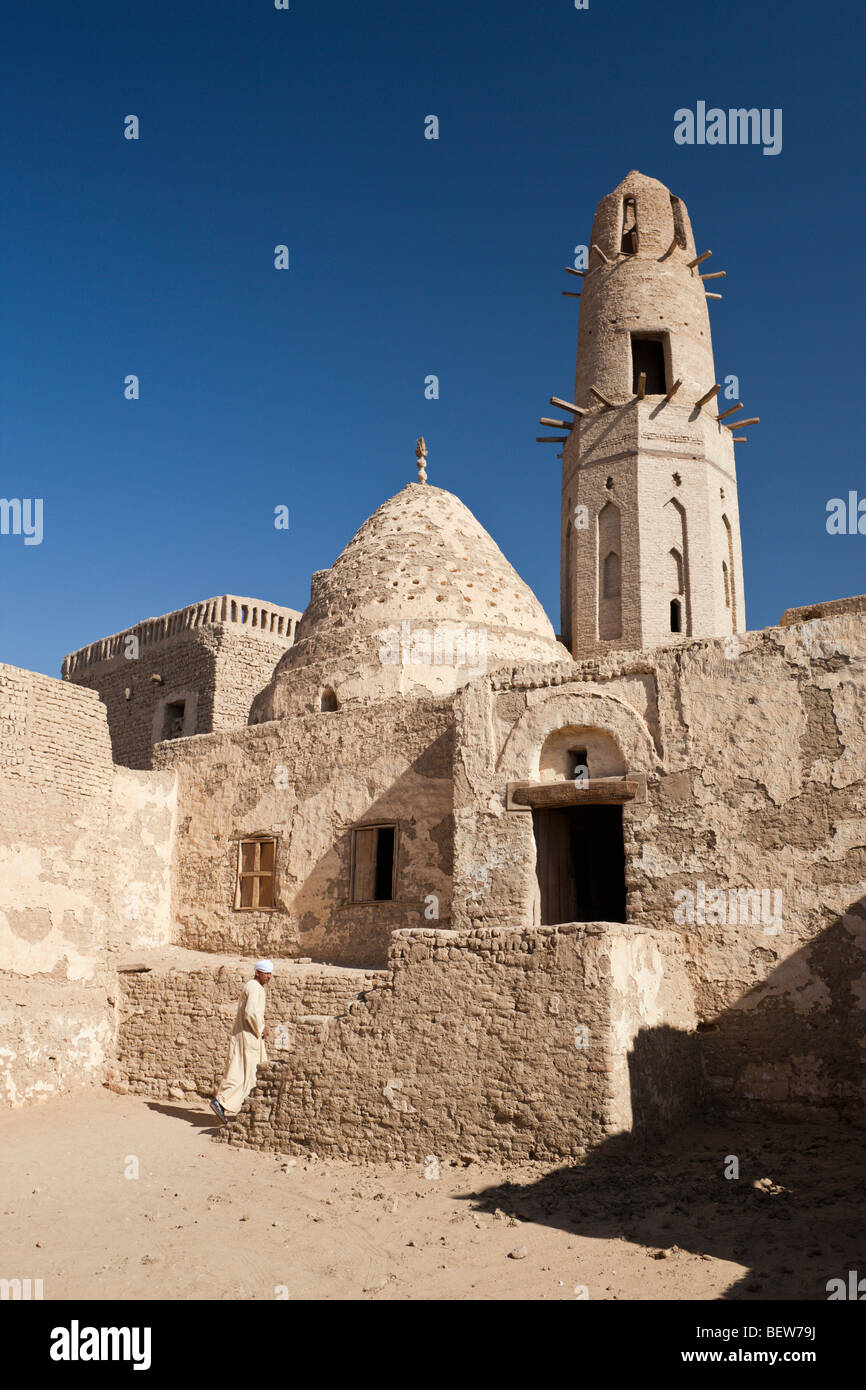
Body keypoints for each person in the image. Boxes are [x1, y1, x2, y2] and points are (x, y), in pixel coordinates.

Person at [209, 960, 272, 1122]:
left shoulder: (253, 987)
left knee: (247, 1073)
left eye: (270, 973)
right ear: (257, 972)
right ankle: (221, 1102)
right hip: (248, 1036)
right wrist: (261, 1028)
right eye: (266, 973)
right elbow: (250, 1013)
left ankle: (240, 1108)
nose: (269, 976)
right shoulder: (254, 987)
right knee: (244, 1072)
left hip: (249, 1036)